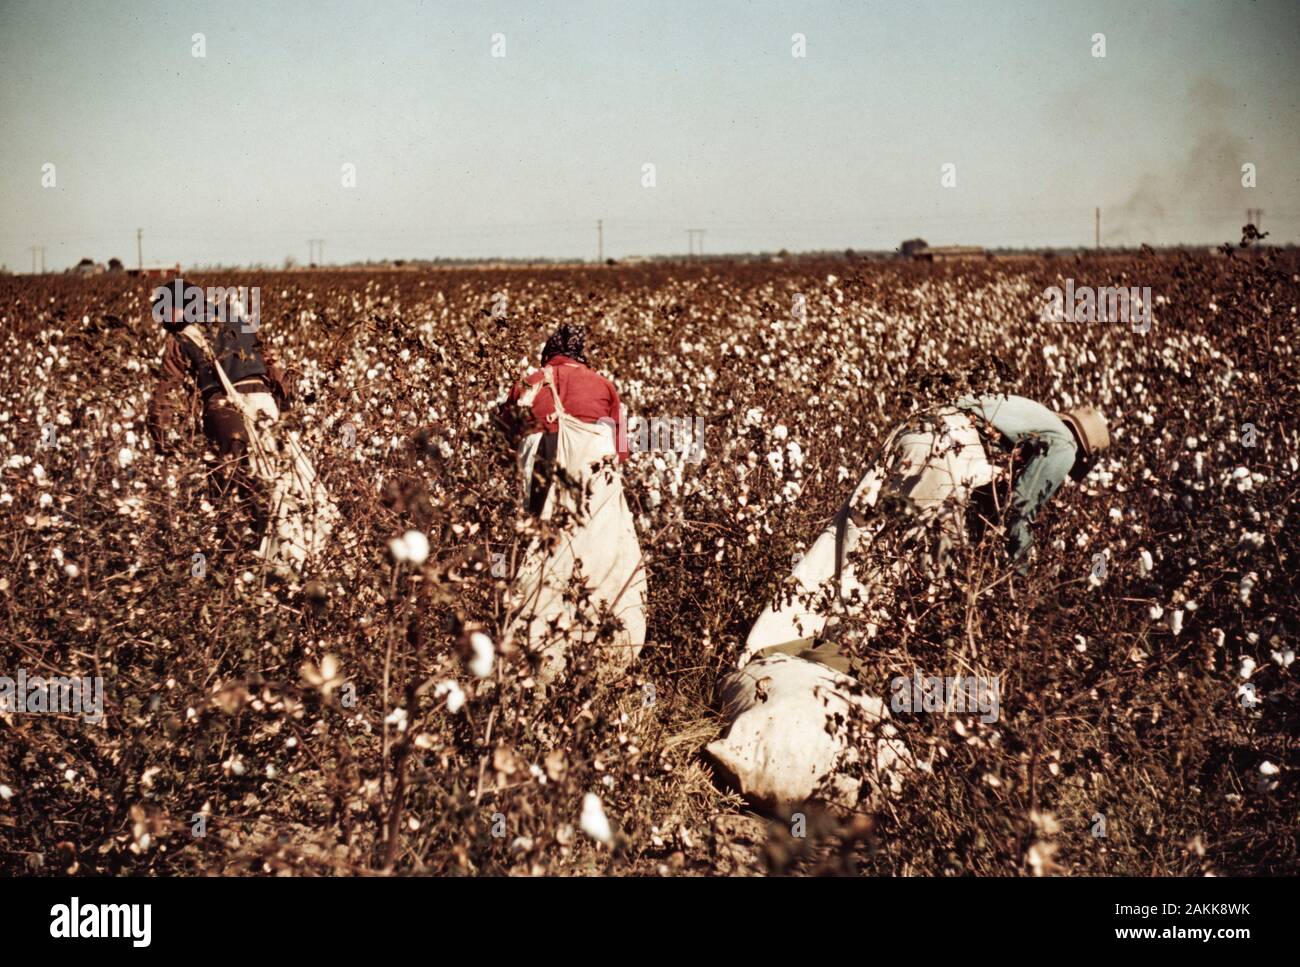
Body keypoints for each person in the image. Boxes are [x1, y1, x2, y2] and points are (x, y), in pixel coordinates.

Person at [741, 394, 1110, 666]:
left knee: (850, 537)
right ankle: (831, 664)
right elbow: (1020, 510)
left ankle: (763, 647)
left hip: (918, 430)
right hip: (950, 453)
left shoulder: (1033, 413)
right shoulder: (1065, 446)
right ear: (1085, 451)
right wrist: (1022, 578)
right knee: (891, 569)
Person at [146, 278, 336, 579]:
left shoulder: (181, 339)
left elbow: (165, 395)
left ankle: (244, 565)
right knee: (284, 479)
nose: (162, 319)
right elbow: (277, 375)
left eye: (164, 311)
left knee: (233, 488)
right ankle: (297, 557)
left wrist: (161, 441)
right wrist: (292, 404)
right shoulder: (240, 324)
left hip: (224, 408)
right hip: (264, 406)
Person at [496, 324, 646, 684]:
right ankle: (599, 646)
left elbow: (505, 432)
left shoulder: (530, 381)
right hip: (594, 479)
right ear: (581, 355)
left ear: (549, 353)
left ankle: (531, 648)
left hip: (541, 469)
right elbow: (621, 451)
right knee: (599, 554)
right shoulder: (602, 384)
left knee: (540, 548)